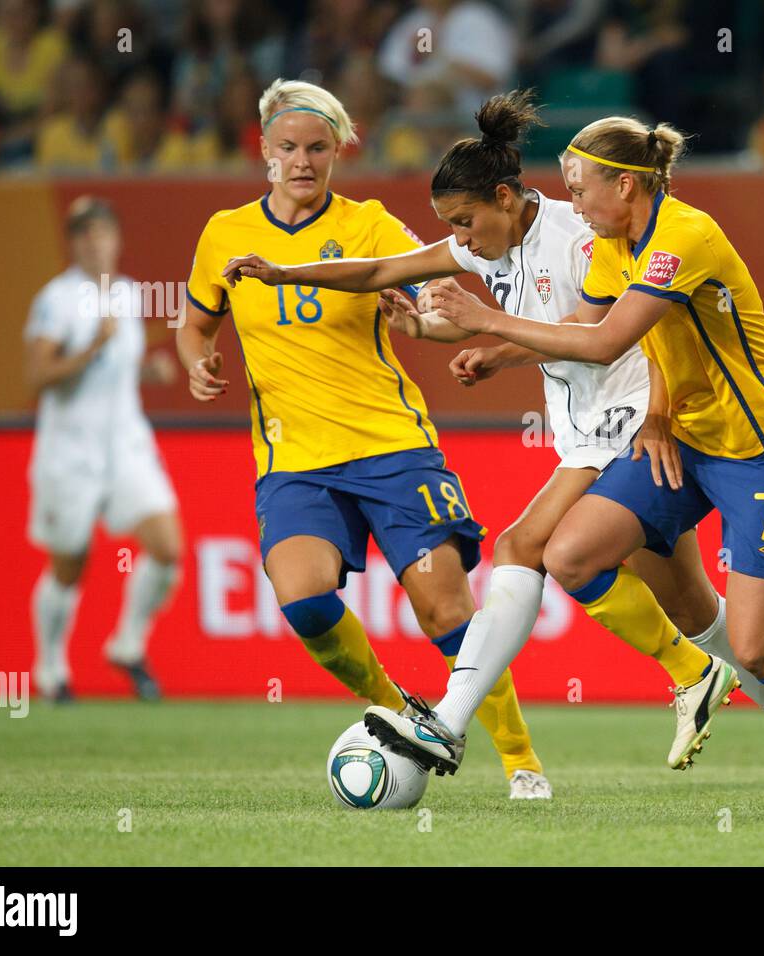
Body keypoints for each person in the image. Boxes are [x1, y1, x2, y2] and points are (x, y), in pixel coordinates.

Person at [223, 90, 764, 786]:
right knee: (694, 609)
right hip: (586, 432)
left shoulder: (581, 240)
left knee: (524, 546)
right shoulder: (486, 246)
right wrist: (289, 274)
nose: (463, 238)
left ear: (508, 197)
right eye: (451, 227)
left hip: (630, 423)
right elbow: (378, 274)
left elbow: (634, 336)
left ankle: (451, 723)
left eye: (468, 221)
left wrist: (505, 336)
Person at [369, 115, 764, 812]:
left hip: (762, 447)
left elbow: (603, 344)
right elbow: (585, 336)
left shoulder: (683, 237)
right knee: (570, 557)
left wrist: (485, 321)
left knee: (757, 645)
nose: (574, 204)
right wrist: (502, 350)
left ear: (626, 184)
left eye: (581, 189)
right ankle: (697, 677)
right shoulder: (609, 243)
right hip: (677, 437)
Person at [177, 78, 551, 799]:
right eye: (288, 147)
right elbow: (194, 322)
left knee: (447, 611)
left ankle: (521, 761)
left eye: (318, 147)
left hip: (390, 445)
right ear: (264, 151)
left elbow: (433, 308)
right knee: (305, 601)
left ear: (338, 152)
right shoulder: (225, 234)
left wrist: (438, 325)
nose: (303, 161)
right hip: (295, 461)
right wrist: (200, 361)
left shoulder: (372, 224)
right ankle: (397, 711)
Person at [25, 196, 182, 702]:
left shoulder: (131, 294)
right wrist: (90, 347)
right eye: (84, 234)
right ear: (72, 243)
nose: (95, 242)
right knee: (71, 563)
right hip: (70, 449)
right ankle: (49, 668)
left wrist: (147, 372)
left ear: (116, 238)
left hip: (126, 442)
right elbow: (38, 376)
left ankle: (128, 643)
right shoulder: (57, 299)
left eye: (103, 232)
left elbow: (113, 368)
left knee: (168, 547)